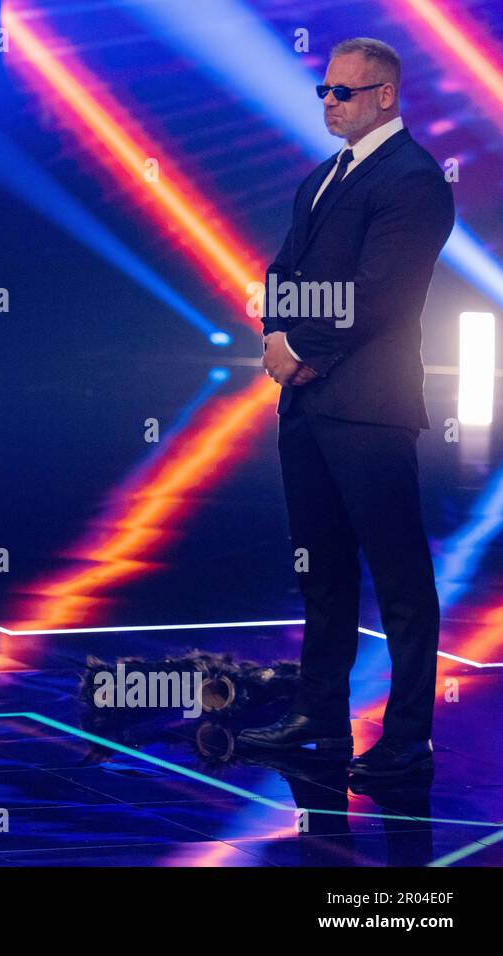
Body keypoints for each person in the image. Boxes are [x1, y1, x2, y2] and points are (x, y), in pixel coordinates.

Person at [238, 38, 454, 779]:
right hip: (308, 407)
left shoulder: (415, 179)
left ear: (385, 97)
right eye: (324, 91)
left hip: (370, 409)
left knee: (397, 577)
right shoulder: (324, 177)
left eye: (343, 92)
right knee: (321, 570)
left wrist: (298, 346)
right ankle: (320, 716)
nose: (327, 102)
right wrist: (276, 331)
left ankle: (407, 737)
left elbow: (380, 293)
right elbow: (282, 269)